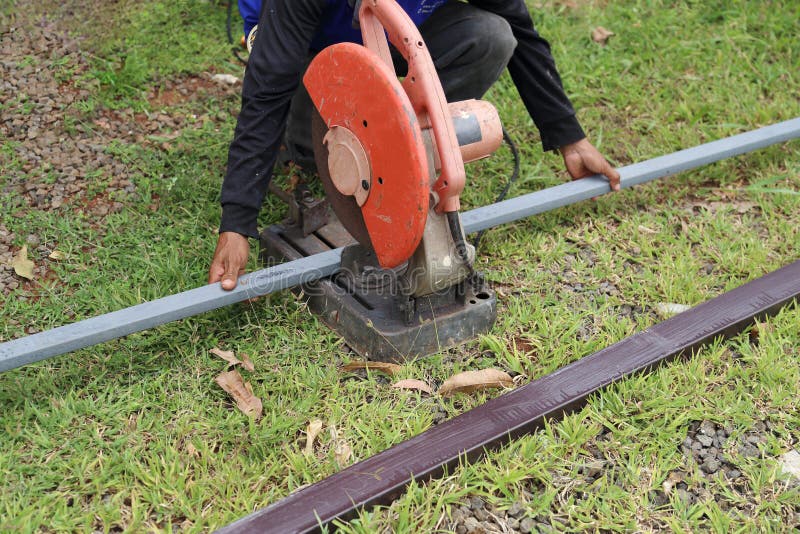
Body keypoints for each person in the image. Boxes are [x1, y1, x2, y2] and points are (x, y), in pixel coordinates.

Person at [209, 0, 621, 291]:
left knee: (492, 35)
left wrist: (570, 137)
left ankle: (396, 137)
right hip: (306, 50)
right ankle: (314, 141)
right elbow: (267, 90)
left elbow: (524, 35)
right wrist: (238, 221)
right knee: (303, 133)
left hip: (389, 34)